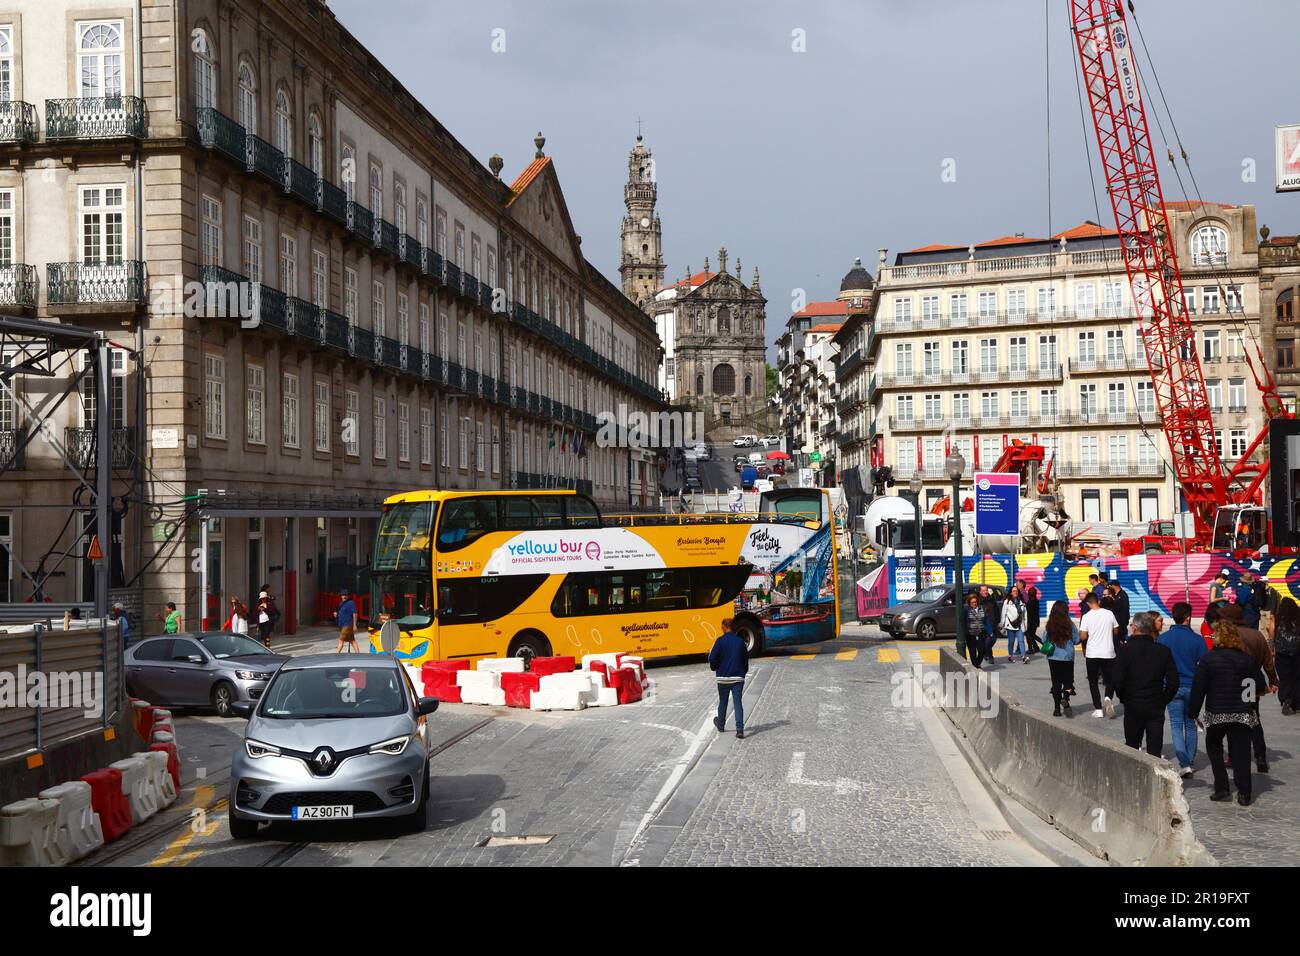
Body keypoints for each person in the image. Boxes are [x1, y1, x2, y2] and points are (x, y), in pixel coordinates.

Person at [1188, 620, 1268, 806]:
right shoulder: (1247, 660)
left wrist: (1192, 711)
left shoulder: (1208, 659)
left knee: (1214, 746)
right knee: (1241, 752)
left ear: (1217, 637)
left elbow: (1199, 688)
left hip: (1217, 712)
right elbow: (1260, 685)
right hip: (1242, 713)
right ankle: (1244, 793)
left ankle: (1222, 787)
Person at [1219, 603, 1278, 773]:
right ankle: (1260, 756)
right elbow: (1268, 662)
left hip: (1230, 683)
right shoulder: (1257, 635)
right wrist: (1273, 680)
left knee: (1232, 718)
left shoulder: (1227, 635)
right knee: (1253, 718)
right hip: (1250, 683)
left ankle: (1233, 755)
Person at [1112, 611, 1179, 757]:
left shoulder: (1125, 650)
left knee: (1132, 748)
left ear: (1134, 628)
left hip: (1133, 703)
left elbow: (1118, 681)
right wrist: (1163, 699)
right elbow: (1174, 682)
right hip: (1155, 703)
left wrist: (1124, 698)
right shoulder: (1163, 651)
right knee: (1155, 749)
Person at [1158, 601, 1208, 777]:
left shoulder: (1163, 639)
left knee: (1176, 725)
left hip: (1172, 688)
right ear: (1189, 617)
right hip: (1192, 686)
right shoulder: (1197, 640)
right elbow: (1205, 665)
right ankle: (1190, 759)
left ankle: (1184, 762)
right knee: (1191, 725)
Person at [1080, 593, 1120, 718]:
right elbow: (1116, 630)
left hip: (1092, 653)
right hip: (1108, 652)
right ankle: (1108, 697)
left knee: (1093, 681)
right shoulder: (1109, 614)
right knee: (1110, 679)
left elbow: (1083, 636)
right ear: (1098, 601)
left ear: (1088, 603)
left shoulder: (1086, 616)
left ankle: (1098, 709)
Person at [708, 617, 749, 738]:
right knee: (737, 703)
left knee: (723, 701)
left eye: (722, 627)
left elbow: (712, 658)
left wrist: (714, 667)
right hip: (738, 677)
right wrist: (743, 672)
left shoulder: (719, 641)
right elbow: (745, 659)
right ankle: (740, 729)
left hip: (723, 678)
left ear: (725, 627)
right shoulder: (740, 641)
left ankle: (721, 724)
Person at [1044, 601, 1081, 717]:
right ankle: (1065, 697)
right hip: (1067, 658)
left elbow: (1044, 638)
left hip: (1053, 657)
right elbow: (1076, 640)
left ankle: (1056, 709)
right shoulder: (1070, 624)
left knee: (1056, 683)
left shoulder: (1049, 624)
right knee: (1068, 683)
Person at [1273, 597, 1300, 716]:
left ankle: (1285, 700)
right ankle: (1297, 703)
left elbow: (1272, 633)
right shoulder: (1298, 618)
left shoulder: (1277, 617)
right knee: (1297, 678)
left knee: (1284, 679)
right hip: (1297, 653)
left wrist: (1272, 648)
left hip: (1281, 654)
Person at [1002, 585, 1027, 664]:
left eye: (1016, 591)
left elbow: (1025, 614)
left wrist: (1026, 624)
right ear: (1011, 593)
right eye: (1013, 591)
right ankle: (1011, 656)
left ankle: (1024, 657)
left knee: (1021, 641)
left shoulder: (1021, 601)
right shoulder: (1007, 602)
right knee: (1011, 642)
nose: (1015, 592)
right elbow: (1003, 613)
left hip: (1020, 624)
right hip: (1011, 625)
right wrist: (1002, 624)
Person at [963, 593, 986, 668]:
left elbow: (985, 619)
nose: (974, 604)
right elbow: (964, 621)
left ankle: (977, 663)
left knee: (982, 650)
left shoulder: (981, 608)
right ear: (969, 603)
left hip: (980, 633)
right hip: (970, 634)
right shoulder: (966, 610)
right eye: (972, 602)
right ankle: (975, 665)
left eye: (975, 602)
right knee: (972, 652)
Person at [979, 585, 1001, 664]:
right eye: (984, 590)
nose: (985, 592)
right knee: (988, 641)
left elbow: (997, 610)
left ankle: (985, 653)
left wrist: (998, 621)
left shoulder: (991, 599)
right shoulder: (979, 601)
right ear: (980, 592)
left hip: (993, 624)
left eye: (986, 590)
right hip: (985, 626)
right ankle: (990, 656)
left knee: (994, 640)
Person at [1023, 581, 1042, 654]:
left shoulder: (1030, 602)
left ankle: (1034, 648)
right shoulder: (1036, 601)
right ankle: (1036, 647)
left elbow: (1030, 614)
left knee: (1030, 635)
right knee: (1032, 635)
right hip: (1036, 621)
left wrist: (1028, 623)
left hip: (1031, 622)